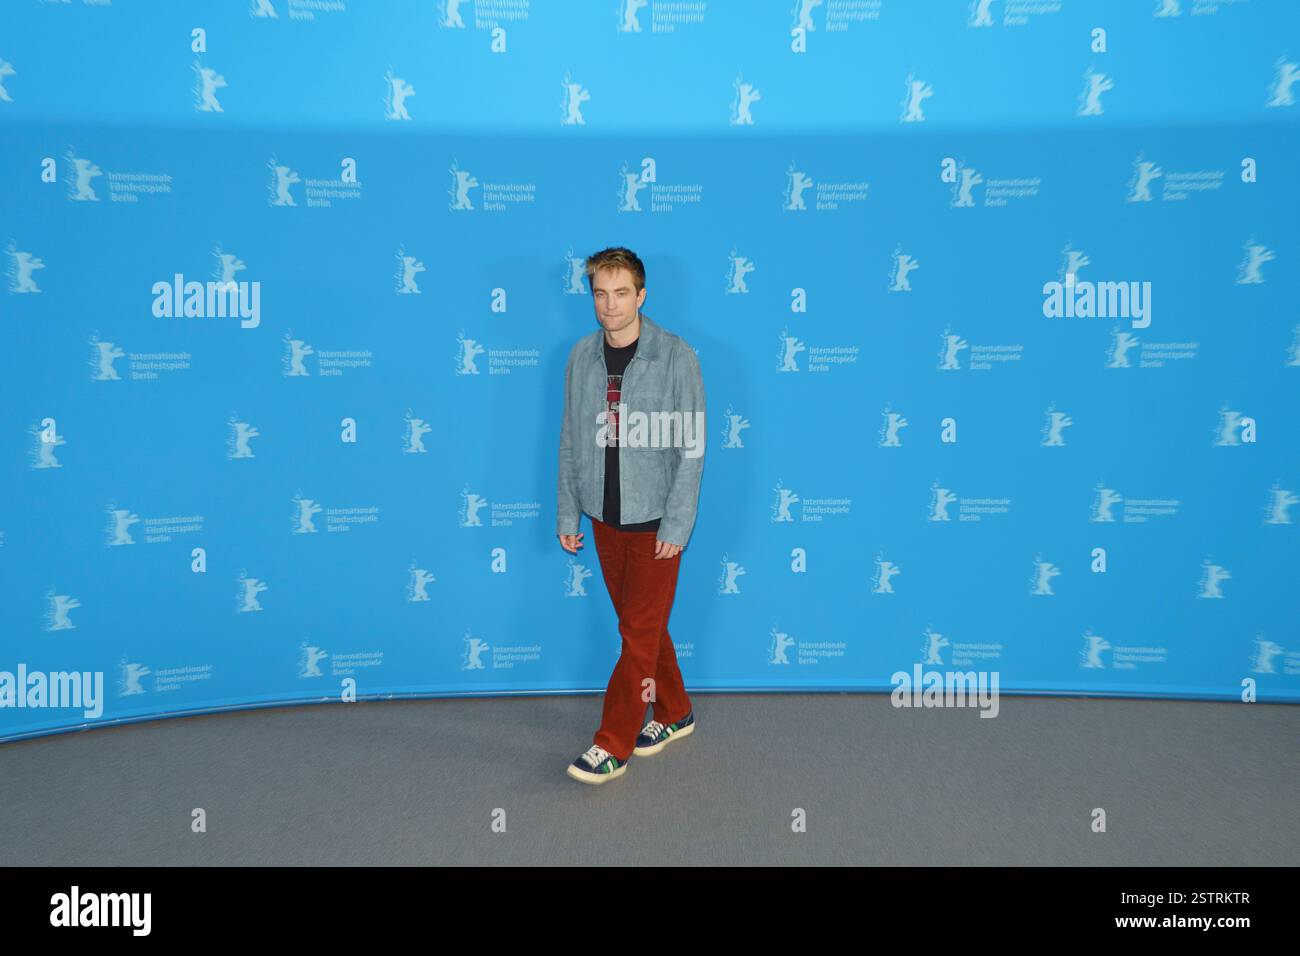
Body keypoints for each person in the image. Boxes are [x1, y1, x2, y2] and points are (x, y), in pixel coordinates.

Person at [557, 247, 705, 785]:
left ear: (641, 295)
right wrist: (568, 512)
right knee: (642, 628)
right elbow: (572, 440)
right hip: (603, 518)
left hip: (656, 522)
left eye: (621, 293)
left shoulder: (675, 356)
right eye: (600, 293)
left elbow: (692, 447)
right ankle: (674, 711)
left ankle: (612, 742)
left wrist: (677, 525)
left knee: (637, 636)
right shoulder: (580, 357)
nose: (610, 305)